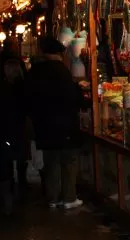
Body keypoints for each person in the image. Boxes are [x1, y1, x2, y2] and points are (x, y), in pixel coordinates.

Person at [28, 36, 84, 209]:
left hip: (45, 126)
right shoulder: (61, 71)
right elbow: (72, 98)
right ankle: (69, 197)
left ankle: (52, 197)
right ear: (59, 54)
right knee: (68, 161)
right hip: (64, 124)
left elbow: (30, 98)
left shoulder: (36, 71)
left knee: (51, 162)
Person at [0, 59, 25, 216]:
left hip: (6, 133)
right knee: (5, 164)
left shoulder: (9, 88)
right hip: (8, 132)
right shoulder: (10, 89)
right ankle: (7, 196)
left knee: (5, 164)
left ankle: (7, 195)